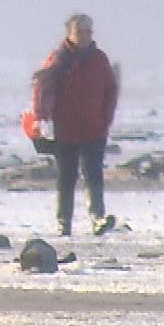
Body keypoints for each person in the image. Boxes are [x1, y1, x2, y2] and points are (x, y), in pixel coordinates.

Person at [32, 13, 119, 237]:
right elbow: (41, 90)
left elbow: (110, 90)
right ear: (69, 34)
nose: (84, 36)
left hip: (94, 128)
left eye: (88, 32)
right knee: (66, 176)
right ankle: (64, 223)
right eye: (79, 32)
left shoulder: (99, 59)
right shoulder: (58, 59)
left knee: (94, 174)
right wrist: (42, 120)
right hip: (64, 129)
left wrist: (105, 119)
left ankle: (97, 218)